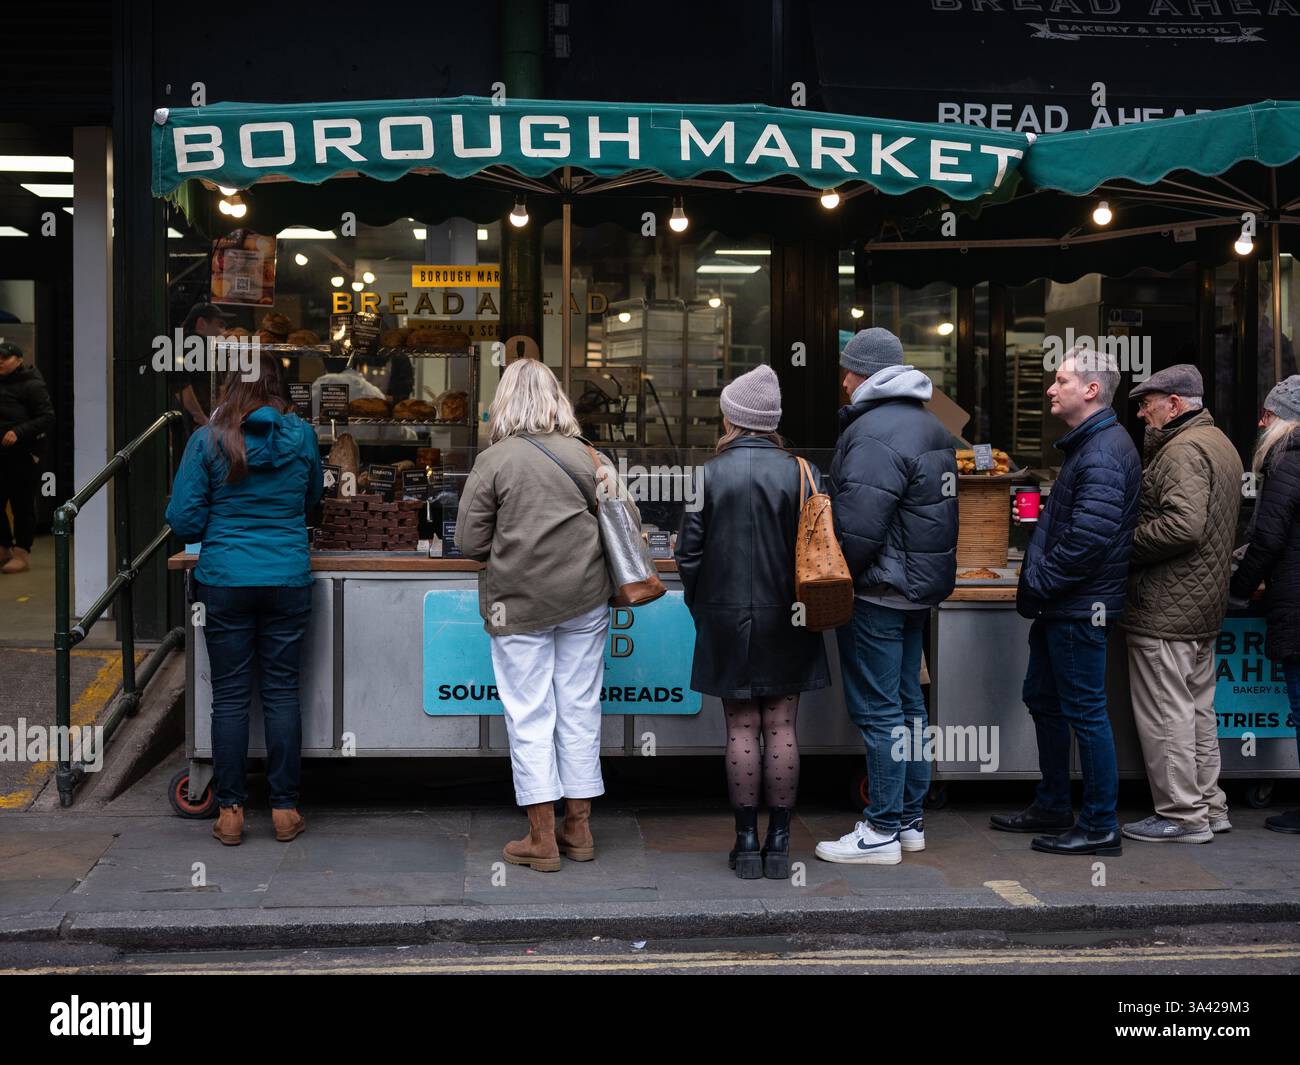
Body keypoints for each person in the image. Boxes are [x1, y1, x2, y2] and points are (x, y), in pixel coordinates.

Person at [455, 358, 632, 872]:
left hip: (519, 605)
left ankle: (542, 838)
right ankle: (579, 829)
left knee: (530, 713)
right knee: (579, 709)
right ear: (557, 400)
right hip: (585, 602)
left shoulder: (495, 461)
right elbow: (628, 522)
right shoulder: (589, 456)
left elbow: (469, 542)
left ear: (505, 402)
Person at [675, 364, 831, 880]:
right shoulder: (802, 472)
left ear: (733, 419)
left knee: (741, 726)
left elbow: (688, 554)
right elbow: (824, 547)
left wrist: (702, 606)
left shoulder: (706, 475)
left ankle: (745, 844)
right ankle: (780, 844)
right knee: (782, 726)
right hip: (790, 615)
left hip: (723, 615)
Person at [165, 352, 322, 846]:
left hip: (226, 581)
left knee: (230, 695)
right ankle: (284, 809)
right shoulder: (302, 437)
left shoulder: (207, 440)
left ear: (230, 384)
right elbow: (312, 499)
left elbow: (185, 521)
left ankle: (231, 812)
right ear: (281, 385)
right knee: (281, 691)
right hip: (287, 580)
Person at [814, 328, 958, 866]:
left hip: (878, 592)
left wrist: (833, 578)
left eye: (849, 371)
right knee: (909, 706)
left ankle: (879, 832)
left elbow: (859, 527)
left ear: (868, 374)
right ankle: (908, 821)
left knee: (879, 712)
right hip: (917, 591)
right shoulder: (931, 425)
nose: (844, 381)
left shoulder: (873, 432)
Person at [991, 346, 1141, 856]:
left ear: (1091, 390)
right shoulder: (1090, 445)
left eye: (1061, 381)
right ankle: (1054, 803)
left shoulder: (1101, 452)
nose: (1051, 390)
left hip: (1078, 607)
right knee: (1045, 701)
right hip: (1065, 606)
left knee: (1086, 713)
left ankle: (1100, 824)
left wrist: (1039, 581)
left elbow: (1089, 539)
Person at [1120, 365, 1242, 844]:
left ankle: (1182, 815)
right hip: (1202, 604)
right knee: (1196, 711)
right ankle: (1211, 807)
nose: (1141, 411)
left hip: (1167, 604)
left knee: (1166, 713)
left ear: (1174, 404)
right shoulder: (1219, 442)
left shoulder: (1183, 450)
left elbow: (1182, 527)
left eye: (1147, 402)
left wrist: (1124, 543)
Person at [1229, 375, 1300, 835]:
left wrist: (1239, 587)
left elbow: (1269, 537)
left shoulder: (1289, 463)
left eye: (1268, 414)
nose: (1260, 422)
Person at [0, 341, 55, 575]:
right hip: (1, 454)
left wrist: (18, 432)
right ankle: (4, 547)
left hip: (24, 454)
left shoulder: (32, 385)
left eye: (6, 358)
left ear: (19, 360)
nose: (1, 362)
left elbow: (47, 417)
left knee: (22, 504)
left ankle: (22, 552)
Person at [176, 302, 230, 430]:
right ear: (201, 323)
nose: (223, 331)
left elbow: (220, 388)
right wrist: (204, 420)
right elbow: (182, 389)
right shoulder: (195, 348)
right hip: (192, 426)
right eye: (220, 325)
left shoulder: (183, 346)